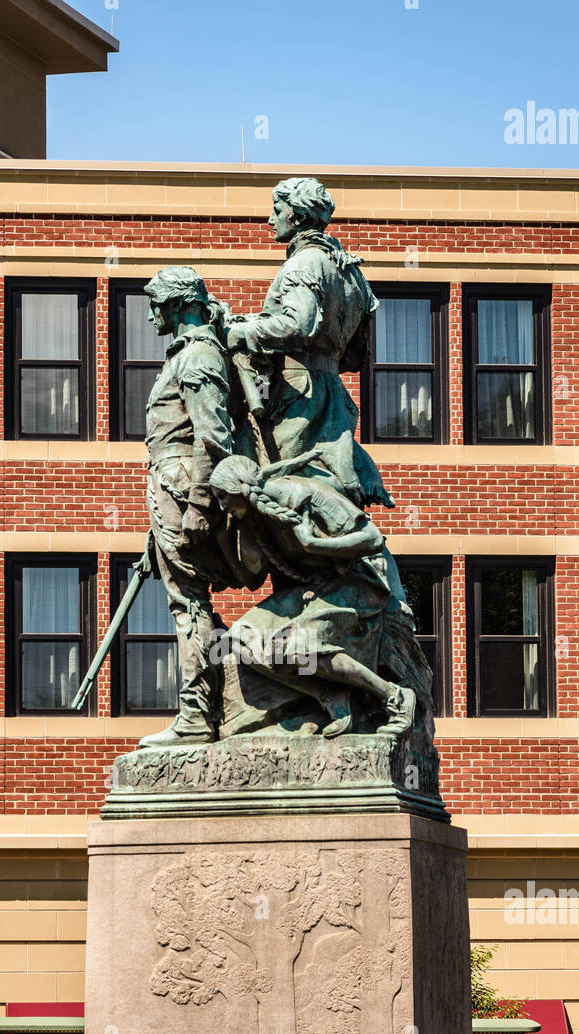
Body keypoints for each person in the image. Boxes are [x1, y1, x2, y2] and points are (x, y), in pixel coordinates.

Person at [209, 455, 427, 738]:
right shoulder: (252, 518)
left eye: (223, 496)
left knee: (301, 646)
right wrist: (225, 538)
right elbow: (251, 580)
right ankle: (330, 696)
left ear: (239, 487)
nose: (221, 506)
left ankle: (393, 696)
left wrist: (314, 544)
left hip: (353, 583)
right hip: (308, 591)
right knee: (237, 639)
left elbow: (372, 538)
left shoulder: (305, 493)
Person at [138, 267, 259, 748]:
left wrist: (199, 505)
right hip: (170, 489)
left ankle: (196, 715)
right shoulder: (187, 354)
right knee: (185, 601)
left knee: (188, 603)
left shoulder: (197, 356)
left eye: (157, 304)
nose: (152, 315)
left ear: (179, 304)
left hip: (182, 486)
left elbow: (212, 437)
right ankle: (213, 699)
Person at [225, 176, 392, 512]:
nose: (270, 220)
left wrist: (240, 332)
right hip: (331, 392)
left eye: (277, 210)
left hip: (296, 393)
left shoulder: (304, 262)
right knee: (319, 485)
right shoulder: (349, 271)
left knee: (280, 485)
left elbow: (297, 324)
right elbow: (356, 354)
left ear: (297, 216)